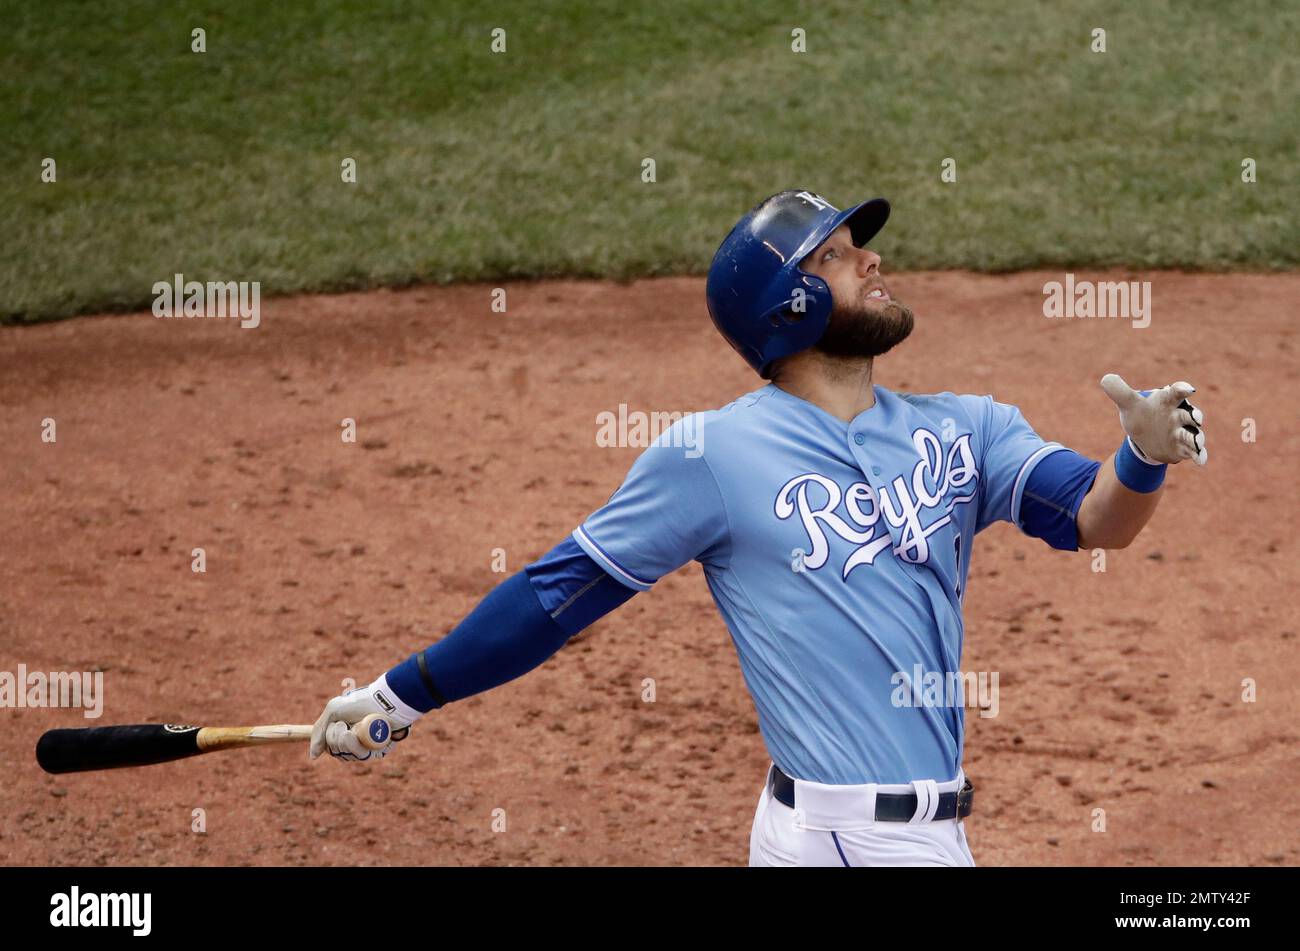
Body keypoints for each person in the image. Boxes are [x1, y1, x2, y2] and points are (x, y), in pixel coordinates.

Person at [309, 189, 1207, 866]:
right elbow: (559, 595)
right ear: (789, 304)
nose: (870, 264)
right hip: (853, 841)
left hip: (863, 833)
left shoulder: (966, 427)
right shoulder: (714, 455)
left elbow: (1096, 520)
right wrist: (401, 693)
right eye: (837, 257)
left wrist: (1140, 458)